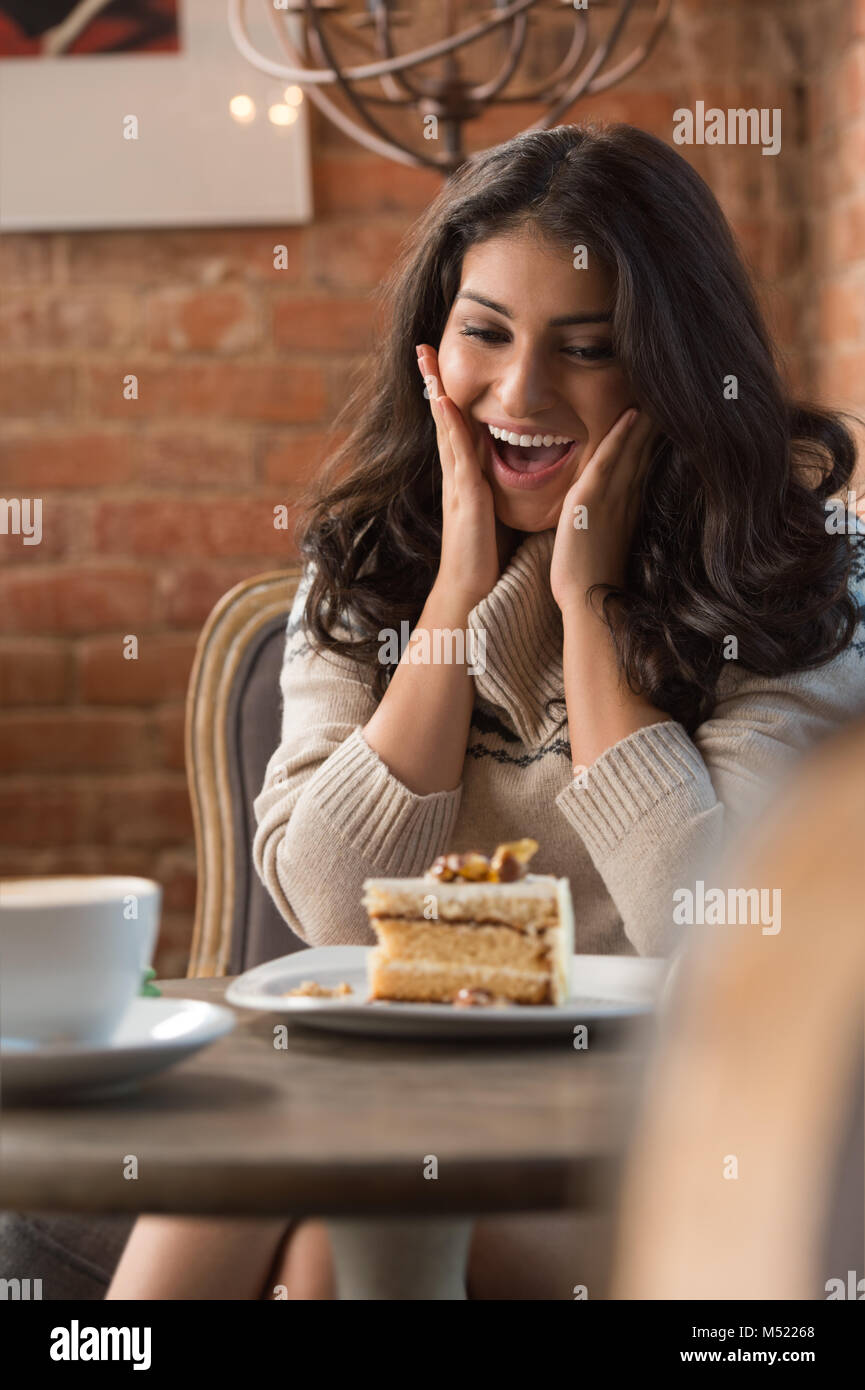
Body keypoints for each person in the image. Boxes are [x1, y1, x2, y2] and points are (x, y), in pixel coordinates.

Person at [107, 122, 865, 1300]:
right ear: (434, 343)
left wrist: (587, 600)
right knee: (243, 1215)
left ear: (669, 364)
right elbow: (324, 901)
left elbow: (715, 931)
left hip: (658, 1142)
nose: (520, 392)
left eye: (588, 347)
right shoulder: (367, 569)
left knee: (328, 1243)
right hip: (387, 1098)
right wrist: (458, 596)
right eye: (486, 333)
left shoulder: (795, 583)